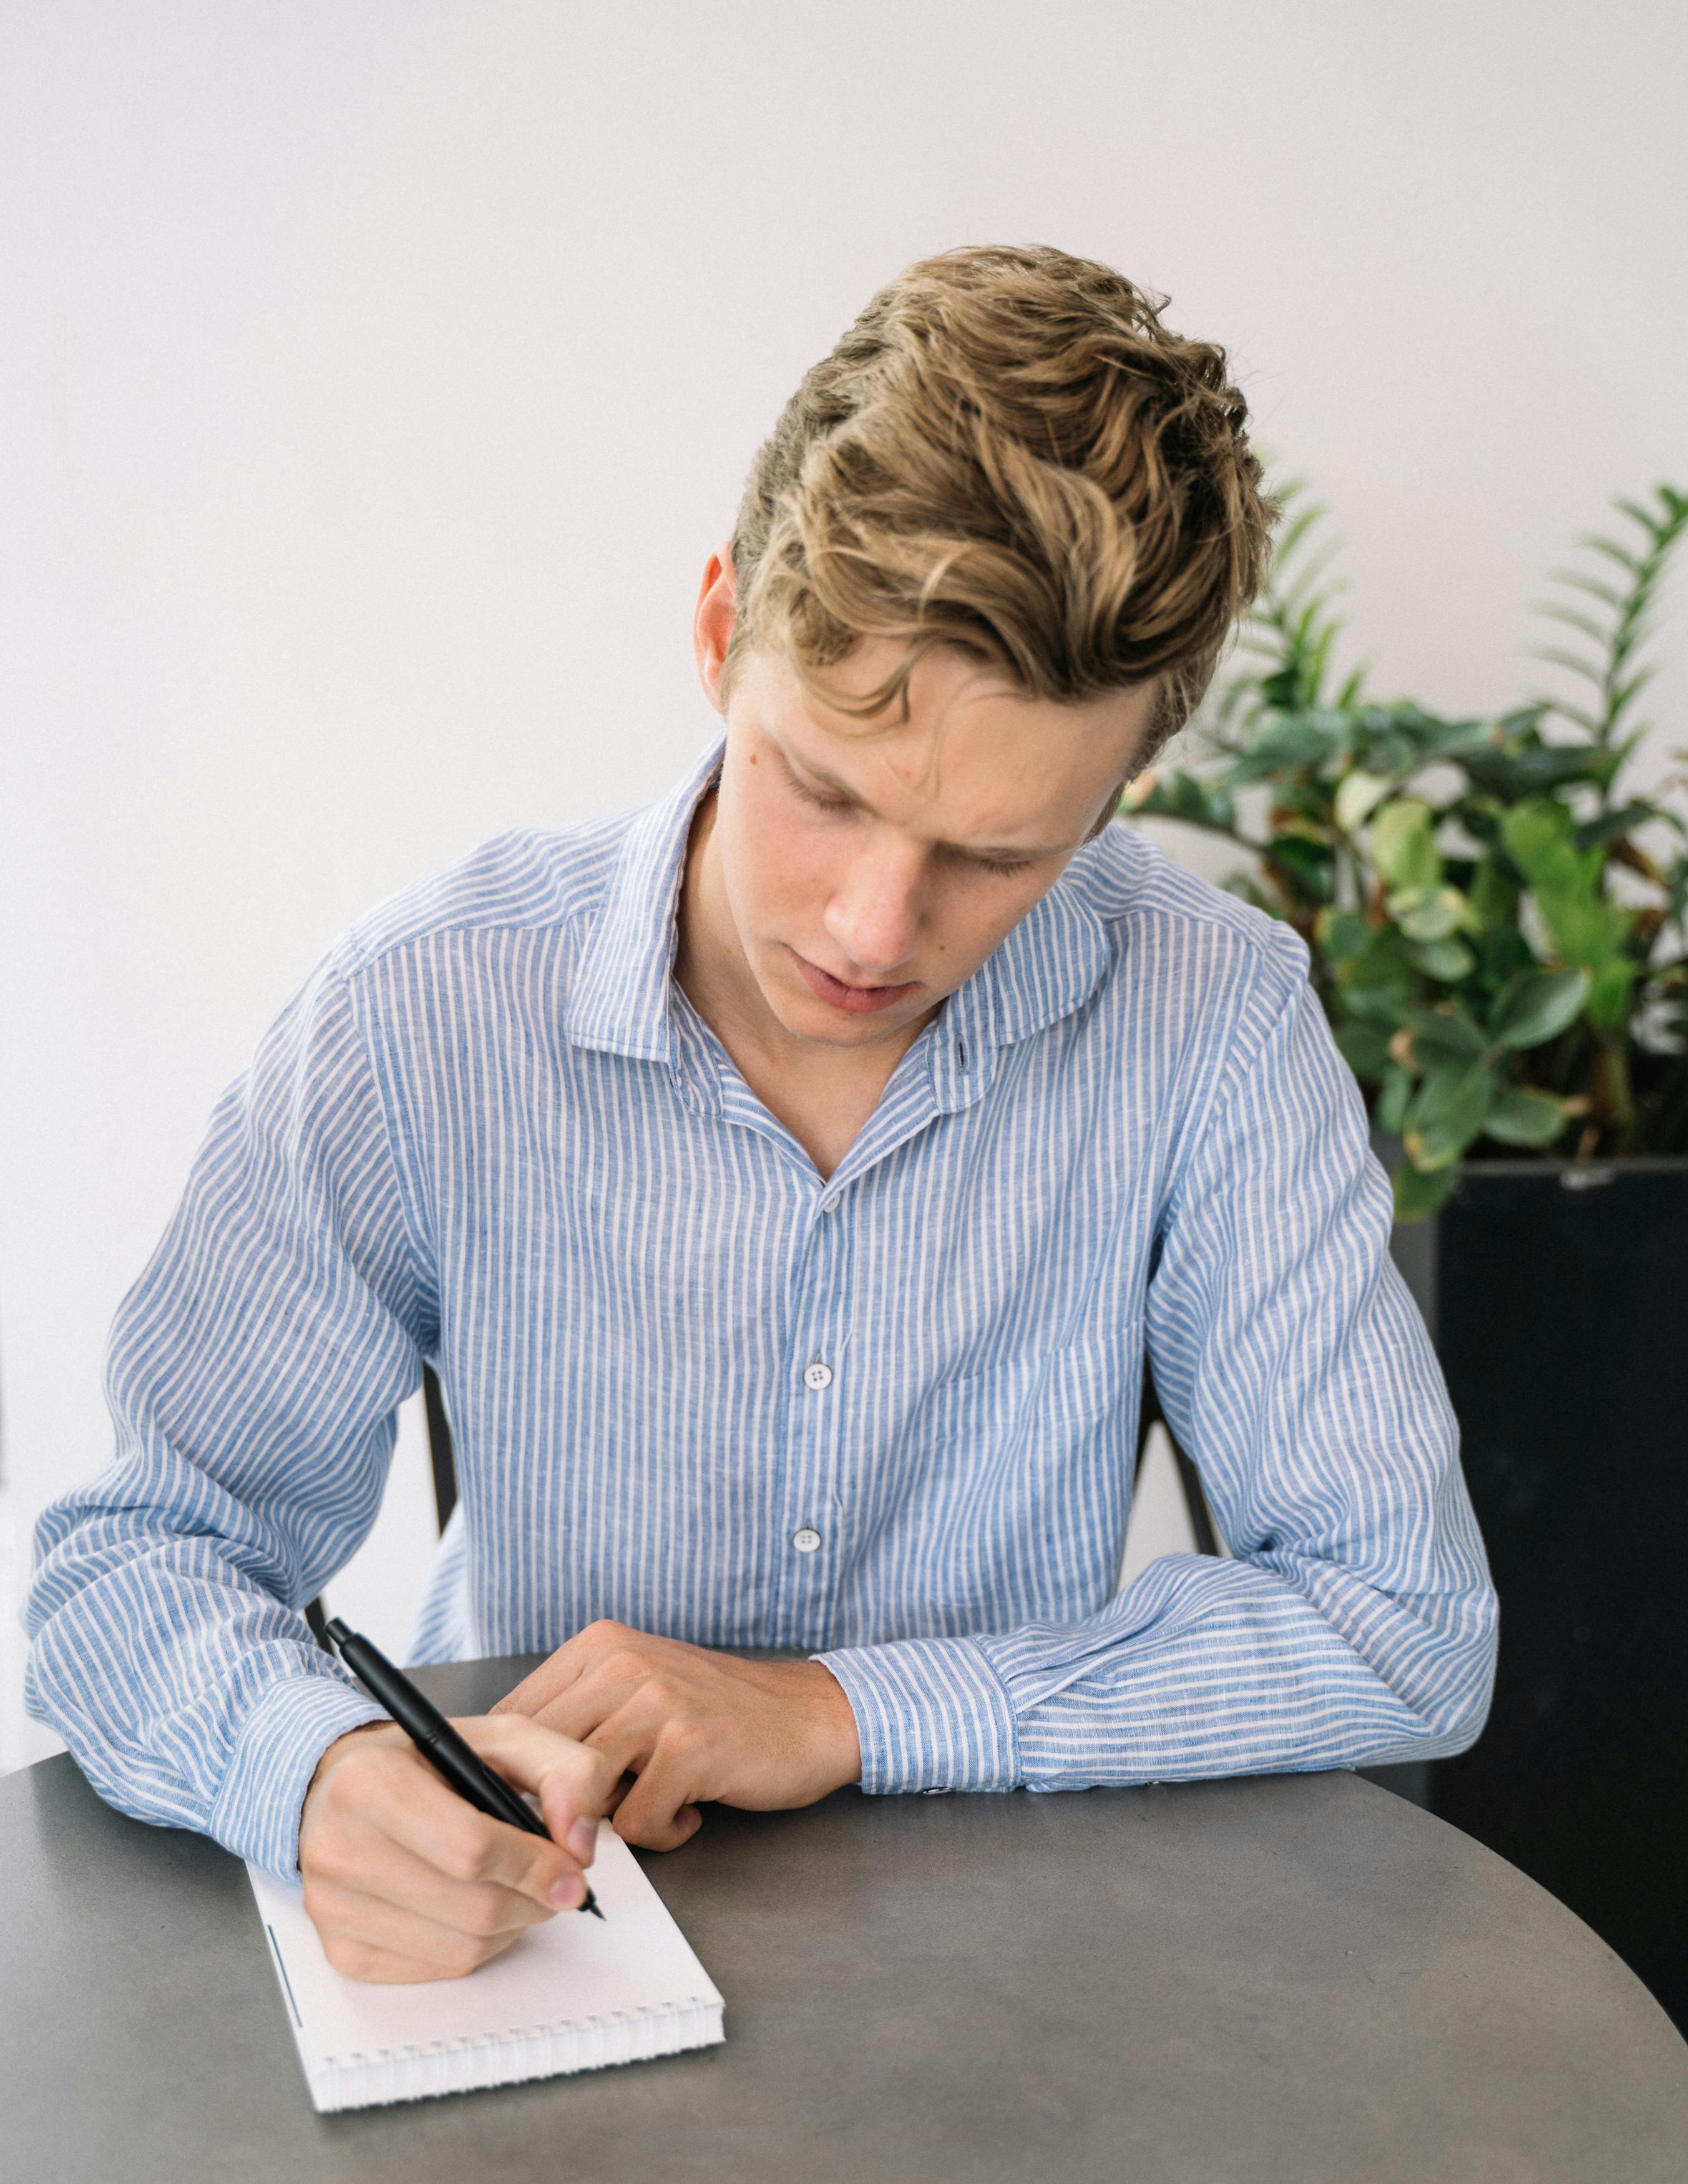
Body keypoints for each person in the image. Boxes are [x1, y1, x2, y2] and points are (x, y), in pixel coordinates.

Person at [26, 244, 1496, 1985]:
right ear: (724, 632)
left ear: (1121, 790)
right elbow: (132, 1562)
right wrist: (316, 1768)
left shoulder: (1216, 1026)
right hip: (521, 1961)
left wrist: (836, 1711)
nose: (875, 929)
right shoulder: (424, 1011)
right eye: (823, 787)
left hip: (1027, 2002)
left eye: (998, 855)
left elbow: (1399, 1620)